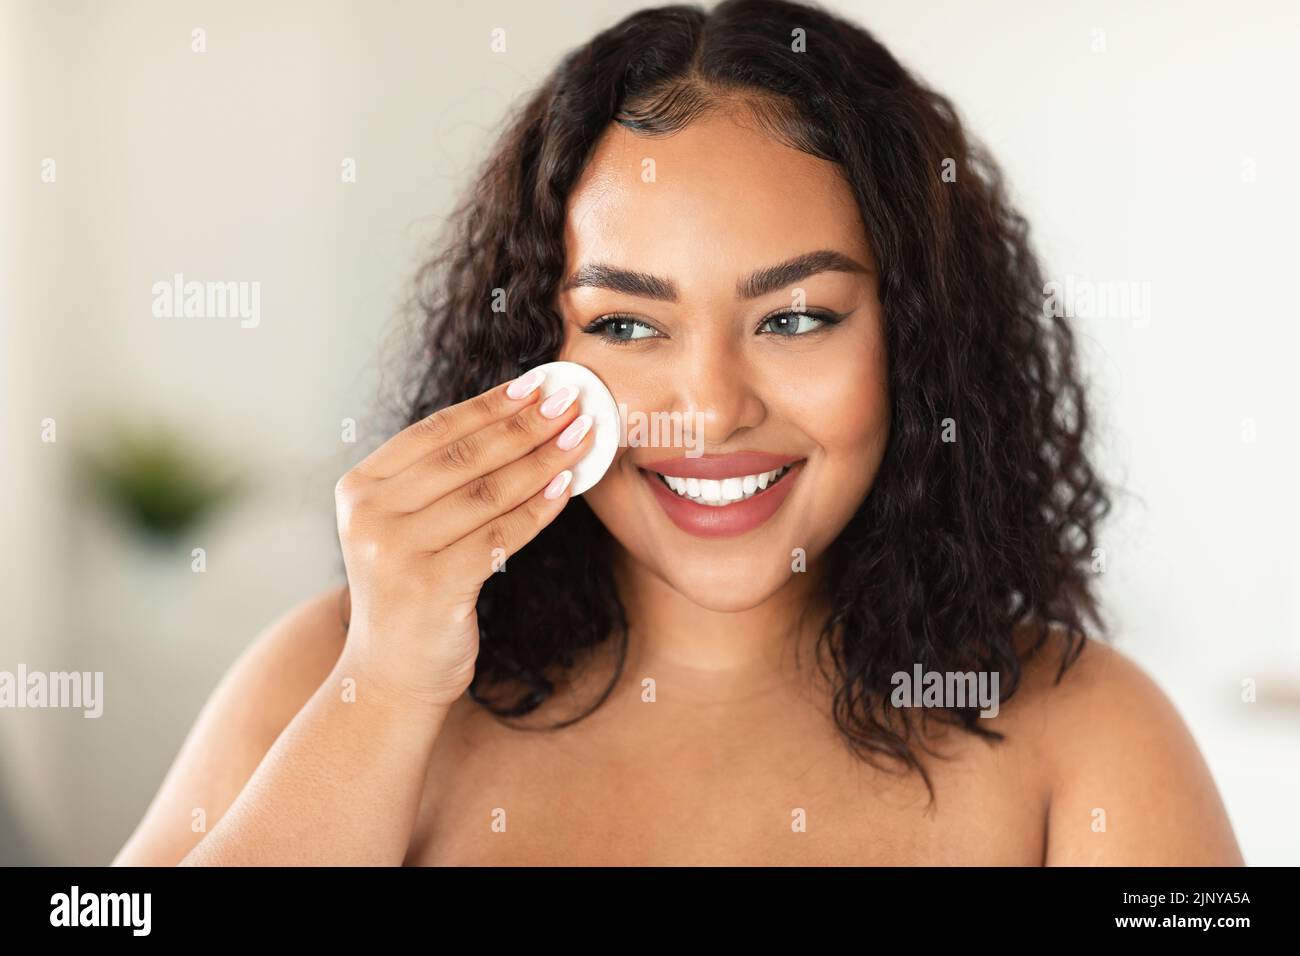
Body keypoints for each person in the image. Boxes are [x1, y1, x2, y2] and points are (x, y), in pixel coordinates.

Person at [113, 0, 1243, 865]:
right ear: (532, 362)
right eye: (625, 322)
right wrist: (389, 690)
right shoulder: (333, 671)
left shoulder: (1089, 734)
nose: (706, 410)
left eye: (795, 317)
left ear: (916, 342)